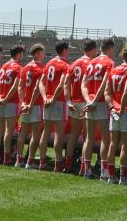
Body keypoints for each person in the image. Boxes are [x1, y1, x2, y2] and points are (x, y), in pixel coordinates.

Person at [104, 47, 127, 185]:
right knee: (125, 146)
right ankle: (123, 177)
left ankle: (111, 175)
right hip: (126, 110)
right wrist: (121, 108)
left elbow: (107, 92)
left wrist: (112, 107)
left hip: (114, 110)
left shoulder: (113, 70)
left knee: (113, 144)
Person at [80, 39, 115, 179]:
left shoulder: (91, 62)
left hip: (90, 102)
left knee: (89, 138)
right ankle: (103, 170)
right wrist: (94, 100)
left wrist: (88, 100)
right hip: (100, 103)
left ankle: (86, 169)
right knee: (105, 139)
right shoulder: (109, 62)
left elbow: (84, 84)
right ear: (110, 48)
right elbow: (105, 83)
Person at [63, 39, 96, 174]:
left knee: (74, 135)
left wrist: (68, 101)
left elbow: (65, 84)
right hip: (85, 101)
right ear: (93, 50)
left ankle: (68, 163)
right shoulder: (91, 63)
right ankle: (84, 166)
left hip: (74, 102)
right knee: (88, 136)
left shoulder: (74, 63)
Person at [38, 41, 70, 172]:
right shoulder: (65, 65)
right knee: (59, 133)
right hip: (58, 102)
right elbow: (61, 85)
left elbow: (41, 83)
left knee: (45, 132)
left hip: (47, 100)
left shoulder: (49, 63)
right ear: (64, 51)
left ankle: (42, 162)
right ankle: (58, 163)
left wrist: (45, 97)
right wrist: (53, 99)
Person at [15, 44, 45, 169]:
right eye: (42, 53)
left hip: (25, 104)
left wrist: (23, 102)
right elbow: (38, 88)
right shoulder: (40, 68)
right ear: (38, 53)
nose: (43, 56)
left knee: (23, 133)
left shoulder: (25, 67)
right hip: (35, 105)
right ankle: (30, 161)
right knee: (35, 134)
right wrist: (31, 104)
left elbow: (20, 86)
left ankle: (19, 160)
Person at [0, 45, 23, 165]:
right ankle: (6, 157)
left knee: (0, 129)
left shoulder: (3, 66)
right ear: (19, 54)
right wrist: (5, 99)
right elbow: (16, 86)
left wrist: (0, 98)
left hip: (1, 101)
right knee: (9, 130)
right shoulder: (19, 67)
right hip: (11, 102)